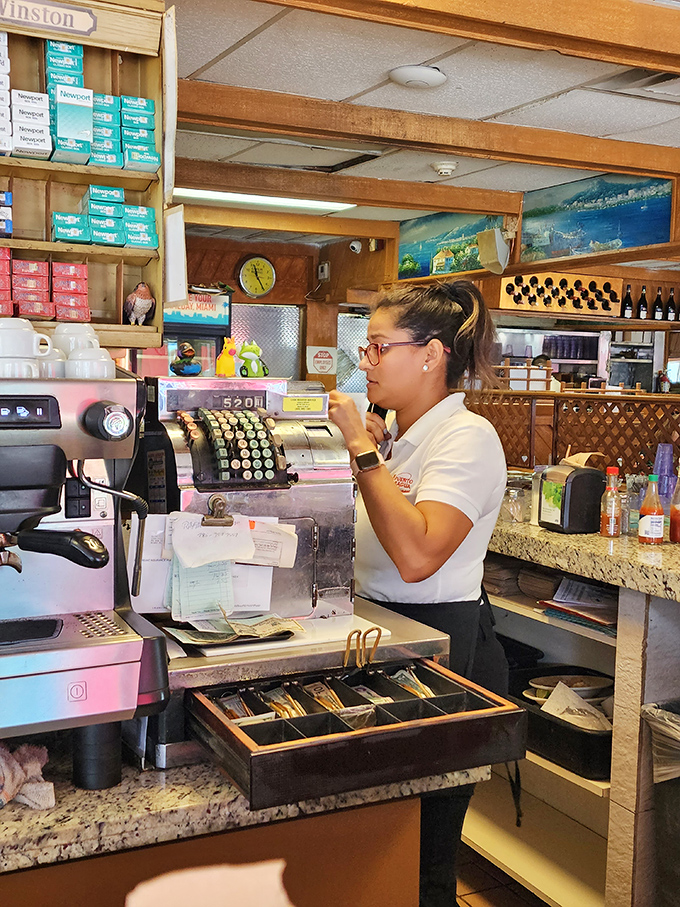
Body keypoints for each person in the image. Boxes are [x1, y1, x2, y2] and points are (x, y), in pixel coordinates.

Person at [328, 280, 509, 907]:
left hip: (442, 650)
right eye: (366, 348)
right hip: (382, 638)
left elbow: (417, 555)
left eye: (379, 347)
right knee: (380, 838)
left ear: (431, 355)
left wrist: (361, 450)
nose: (365, 362)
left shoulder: (467, 436)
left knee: (423, 851)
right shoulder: (401, 439)